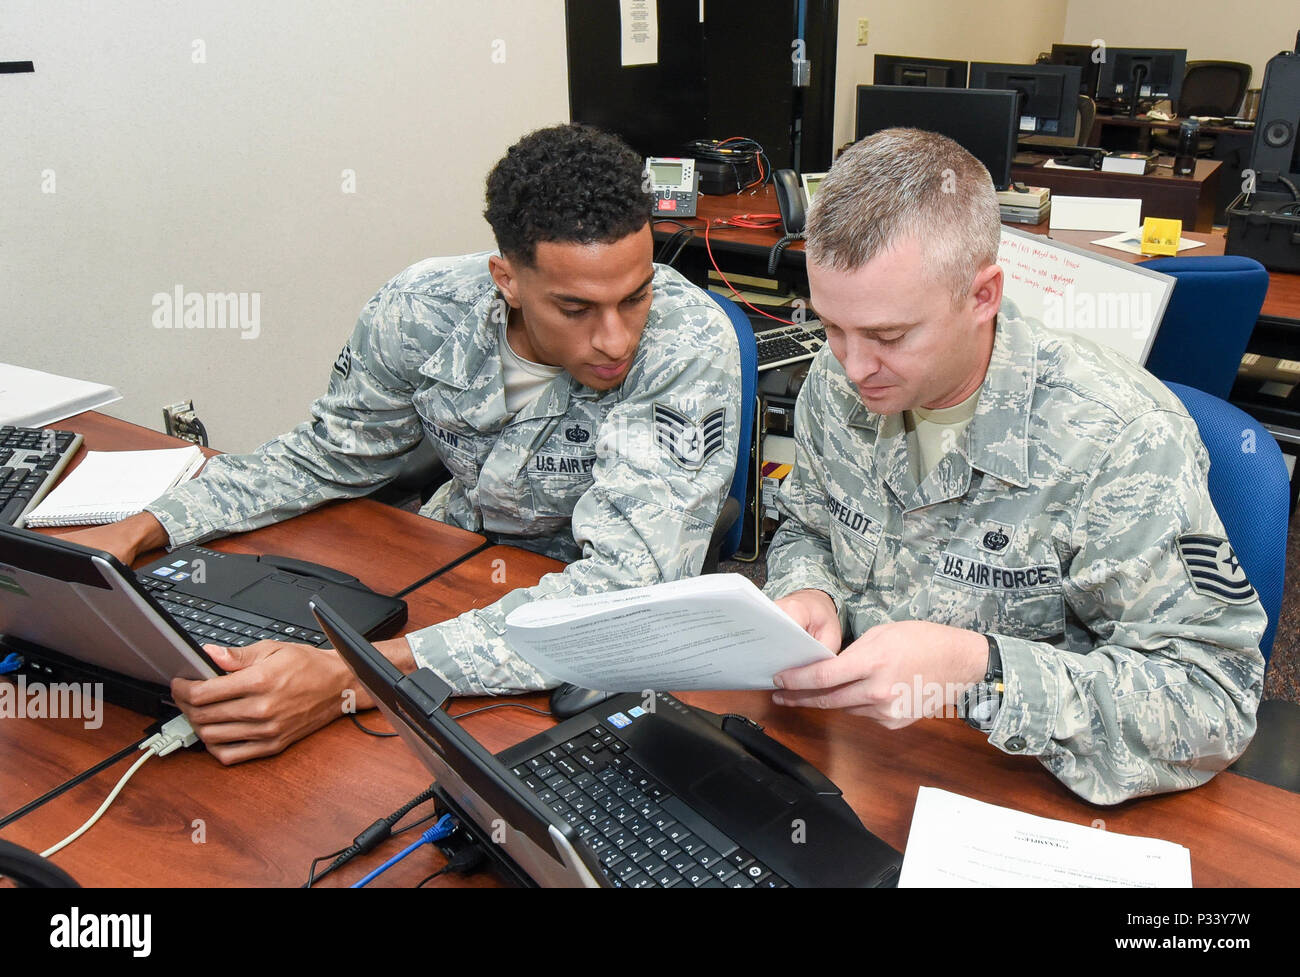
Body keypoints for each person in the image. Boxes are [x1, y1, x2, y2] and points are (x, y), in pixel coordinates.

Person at [66, 124, 741, 763]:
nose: (617, 338)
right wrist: (142, 527)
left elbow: (619, 594)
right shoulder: (421, 310)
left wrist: (352, 677)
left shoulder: (686, 345)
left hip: (578, 623)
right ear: (505, 279)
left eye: (636, 295)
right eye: (576, 309)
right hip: (450, 563)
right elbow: (326, 453)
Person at [763, 128, 1266, 805]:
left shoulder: (1119, 439)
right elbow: (808, 528)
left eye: (888, 336)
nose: (852, 366)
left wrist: (981, 672)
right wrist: (808, 591)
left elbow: (1213, 702)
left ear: (983, 295)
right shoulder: (836, 382)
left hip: (1018, 794)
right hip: (855, 762)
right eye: (831, 326)